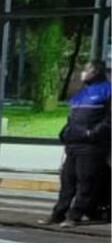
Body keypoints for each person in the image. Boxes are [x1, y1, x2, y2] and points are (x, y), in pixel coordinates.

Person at [45, 60, 111, 228]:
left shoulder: (107, 91)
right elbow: (72, 118)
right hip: (73, 144)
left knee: (85, 181)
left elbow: (109, 120)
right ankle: (58, 214)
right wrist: (65, 133)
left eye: (86, 70)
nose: (82, 73)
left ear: (95, 72)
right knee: (67, 180)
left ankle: (75, 216)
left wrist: (93, 134)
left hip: (91, 146)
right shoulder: (82, 93)